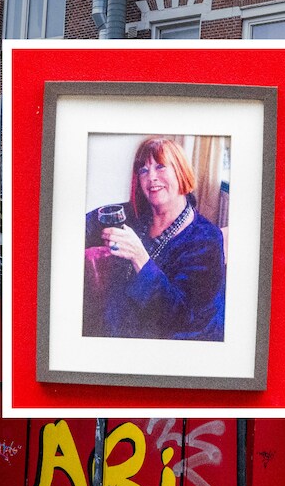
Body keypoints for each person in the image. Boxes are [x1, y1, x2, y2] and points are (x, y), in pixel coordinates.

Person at [84, 136, 226, 341]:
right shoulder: (132, 216)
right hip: (114, 332)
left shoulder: (207, 239)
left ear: (180, 171)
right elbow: (81, 226)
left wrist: (140, 258)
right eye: (143, 170)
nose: (151, 177)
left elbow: (184, 319)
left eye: (160, 167)